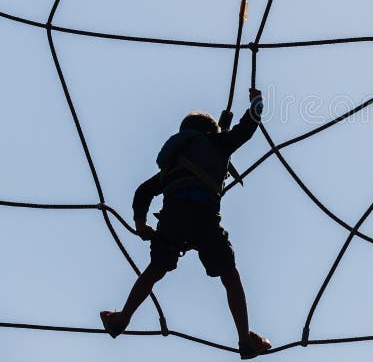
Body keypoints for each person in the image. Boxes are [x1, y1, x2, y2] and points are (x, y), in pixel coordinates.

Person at [100, 88, 271, 360]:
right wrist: (257, 103)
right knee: (229, 276)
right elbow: (246, 129)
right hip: (204, 219)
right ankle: (244, 339)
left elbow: (143, 191)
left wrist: (141, 223)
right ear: (209, 133)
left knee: (156, 269)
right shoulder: (216, 144)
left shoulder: (171, 166)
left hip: (173, 220)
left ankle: (122, 318)